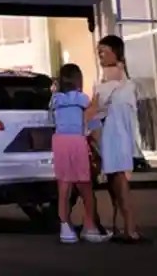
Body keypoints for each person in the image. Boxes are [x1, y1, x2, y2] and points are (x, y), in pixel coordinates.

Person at [95, 34, 151, 244]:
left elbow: (105, 103)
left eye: (104, 51)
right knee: (113, 186)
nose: (100, 55)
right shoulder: (109, 80)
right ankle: (120, 228)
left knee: (120, 185)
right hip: (109, 139)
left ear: (116, 53)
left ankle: (130, 229)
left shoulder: (120, 82)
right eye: (99, 51)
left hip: (117, 139)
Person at [49, 63, 109, 244]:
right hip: (76, 141)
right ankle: (89, 227)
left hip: (59, 142)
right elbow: (92, 124)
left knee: (64, 187)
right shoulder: (82, 99)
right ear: (78, 80)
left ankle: (65, 227)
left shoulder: (55, 100)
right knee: (85, 187)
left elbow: (52, 119)